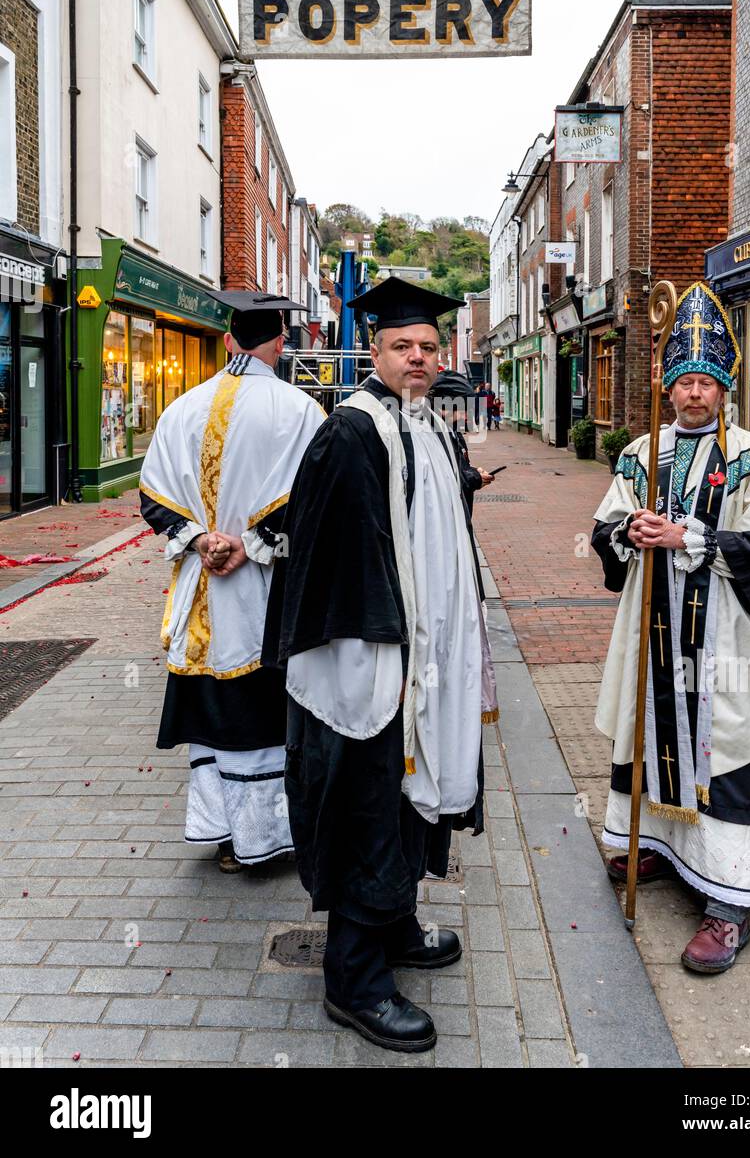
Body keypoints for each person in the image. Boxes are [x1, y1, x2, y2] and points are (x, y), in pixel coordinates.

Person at [262, 276, 498, 1053]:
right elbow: (330, 559)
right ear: (375, 350)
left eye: (429, 346)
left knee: (407, 801)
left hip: (422, 656)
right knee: (369, 805)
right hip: (369, 666)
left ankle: (395, 927)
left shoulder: (427, 425)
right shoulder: (352, 432)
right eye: (403, 347)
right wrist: (388, 654)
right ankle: (353, 982)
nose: (419, 357)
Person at [591, 281, 750, 974]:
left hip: (722, 644)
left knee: (727, 748)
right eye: (682, 380)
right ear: (668, 384)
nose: (692, 394)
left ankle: (727, 904)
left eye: (706, 382)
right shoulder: (638, 454)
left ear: (724, 386)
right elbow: (604, 523)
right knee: (647, 729)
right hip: (651, 630)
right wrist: (631, 528)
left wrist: (687, 536)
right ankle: (653, 845)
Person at [139, 291, 325, 872]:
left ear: (227, 340)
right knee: (262, 707)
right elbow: (313, 501)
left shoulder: (180, 408)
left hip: (199, 587)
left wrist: (200, 540)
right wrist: (252, 544)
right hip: (264, 590)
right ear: (280, 342)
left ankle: (219, 830)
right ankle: (262, 838)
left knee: (213, 710)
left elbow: (153, 494)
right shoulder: (301, 411)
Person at [428, 369, 495, 514]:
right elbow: (437, 482)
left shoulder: (453, 432)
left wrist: (472, 472)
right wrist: (473, 478)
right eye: (458, 409)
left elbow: (457, 468)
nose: (464, 416)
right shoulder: (429, 437)